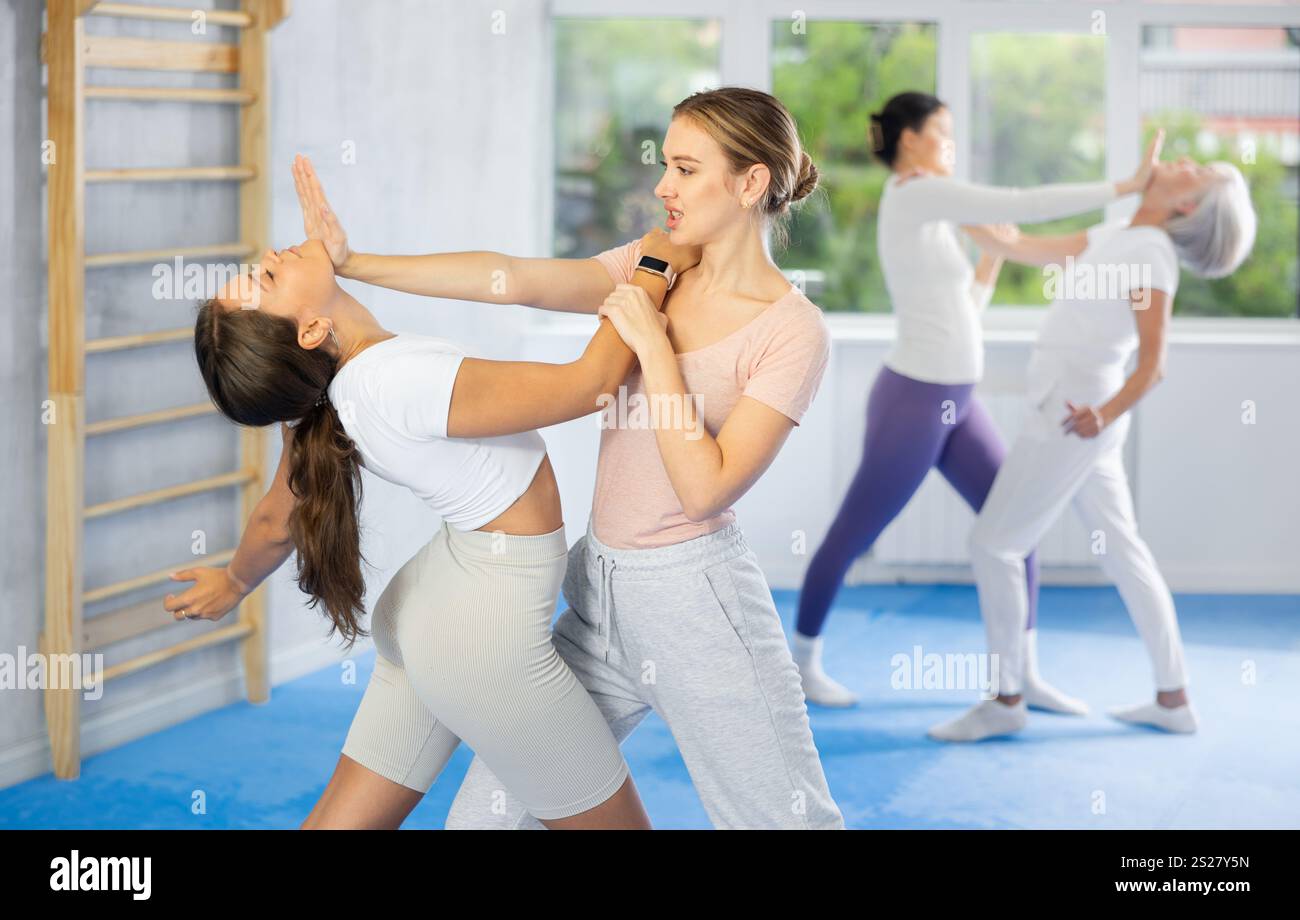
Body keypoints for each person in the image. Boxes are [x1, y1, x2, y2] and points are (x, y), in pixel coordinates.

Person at [300, 87, 846, 829]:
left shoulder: (792, 331)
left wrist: (653, 347)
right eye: (667, 167)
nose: (663, 186)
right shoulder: (654, 261)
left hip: (698, 606)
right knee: (486, 821)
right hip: (600, 592)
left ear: (751, 184)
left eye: (686, 169)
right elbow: (514, 280)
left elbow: (703, 490)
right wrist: (357, 262)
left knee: (786, 820)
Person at [168, 186, 699, 826]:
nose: (270, 255)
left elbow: (276, 519)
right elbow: (587, 386)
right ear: (310, 328)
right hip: (479, 639)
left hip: (436, 609)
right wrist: (655, 265)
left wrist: (232, 581)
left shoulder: (335, 399)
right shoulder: (396, 380)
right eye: (268, 277)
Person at [793, 91, 1159, 715]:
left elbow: (966, 310)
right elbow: (1025, 204)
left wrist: (991, 255)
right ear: (909, 139)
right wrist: (1127, 185)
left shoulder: (933, 216)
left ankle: (1023, 676)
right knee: (854, 532)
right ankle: (801, 665)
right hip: (913, 398)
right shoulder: (916, 194)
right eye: (943, 132)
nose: (952, 145)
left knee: (1015, 530)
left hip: (957, 402)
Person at [927, 152, 1256, 742]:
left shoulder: (1152, 256)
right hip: (1079, 415)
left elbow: (1153, 366)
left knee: (993, 545)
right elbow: (1020, 246)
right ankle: (1173, 698)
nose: (1185, 159)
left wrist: (1100, 415)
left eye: (1198, 169)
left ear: (1186, 204)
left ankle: (1006, 699)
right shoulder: (1120, 233)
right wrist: (949, 202)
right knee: (1123, 551)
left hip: (1073, 417)